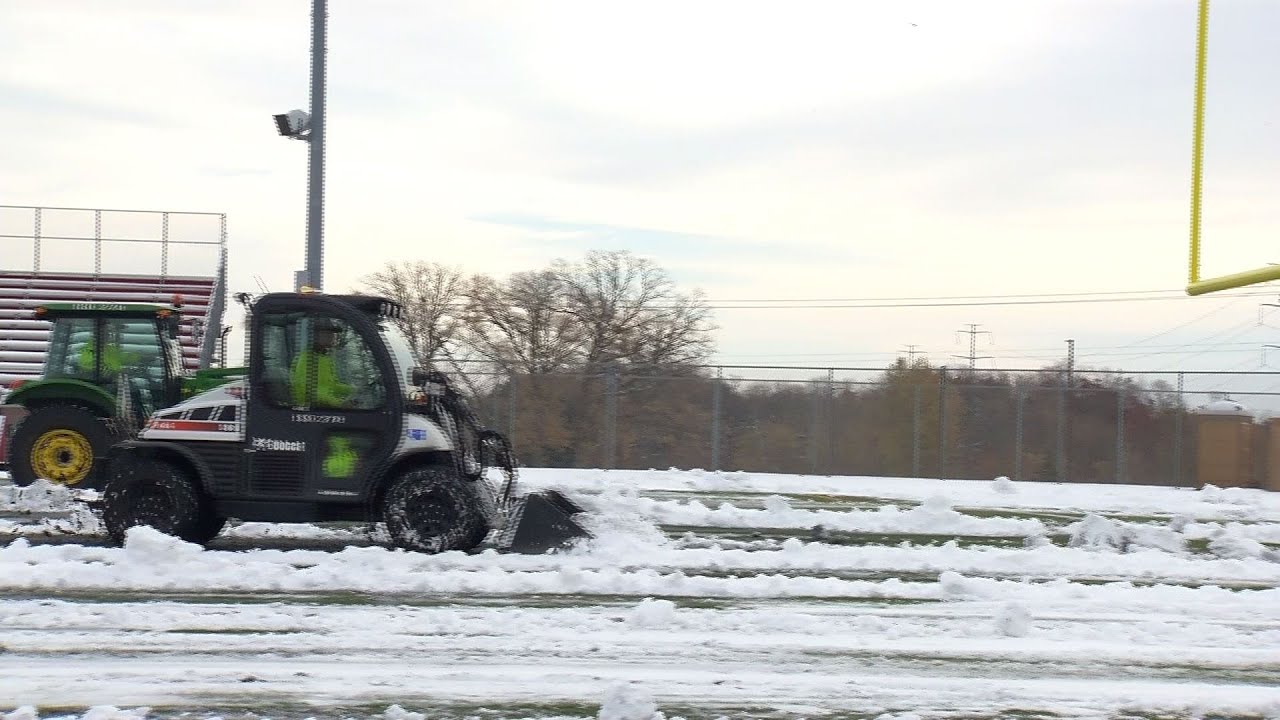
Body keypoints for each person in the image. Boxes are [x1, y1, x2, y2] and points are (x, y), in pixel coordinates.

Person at [290, 318, 354, 409]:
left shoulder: (325, 358)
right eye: (328, 333)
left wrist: (353, 390)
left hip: (325, 409)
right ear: (316, 335)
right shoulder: (306, 359)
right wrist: (339, 404)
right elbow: (307, 392)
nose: (333, 336)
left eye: (332, 333)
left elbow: (332, 387)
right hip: (311, 413)